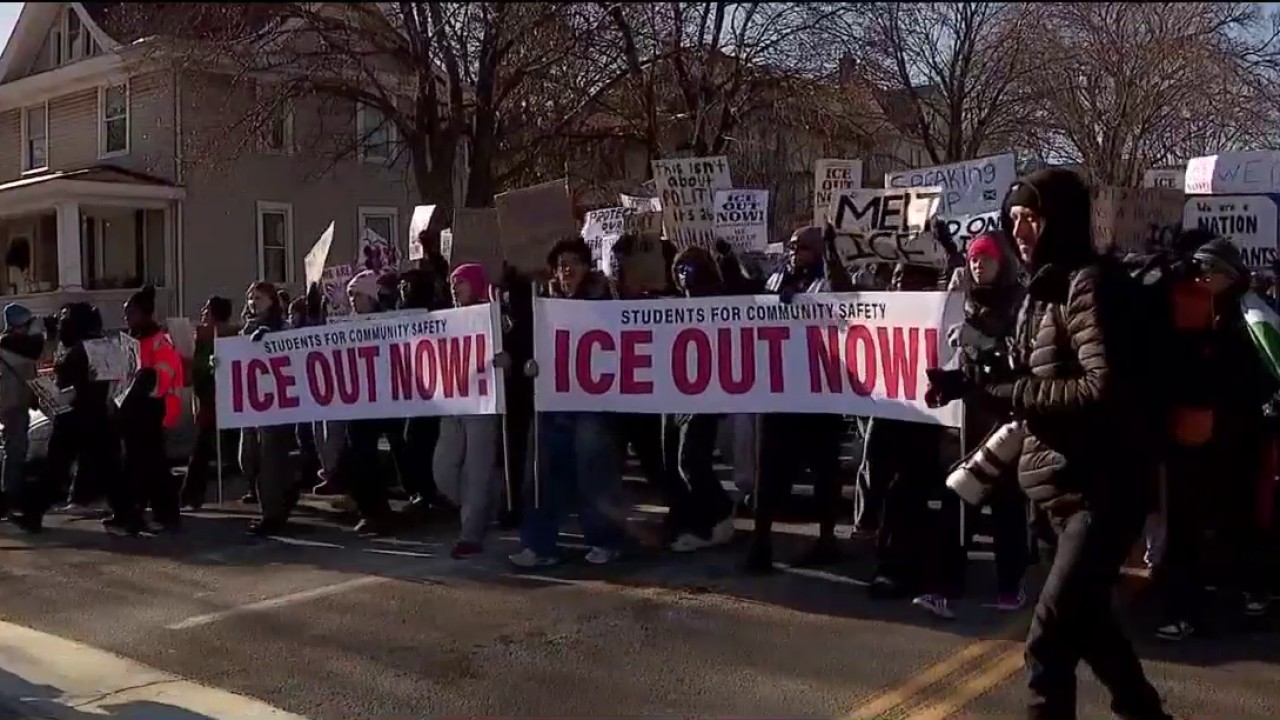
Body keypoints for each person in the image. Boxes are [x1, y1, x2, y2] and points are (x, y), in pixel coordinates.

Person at [929, 168, 1171, 720]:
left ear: (1058, 221)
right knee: (1090, 627)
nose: (1020, 230)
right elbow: (1023, 382)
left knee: (1048, 642)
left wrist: (1015, 388)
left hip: (1100, 493)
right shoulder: (1042, 290)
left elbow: (1097, 387)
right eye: (1013, 219)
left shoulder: (1088, 284)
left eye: (1031, 218)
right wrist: (965, 382)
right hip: (1059, 492)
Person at [1153, 237, 1278, 638]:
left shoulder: (1249, 318)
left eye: (1212, 271)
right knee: (1186, 526)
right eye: (1200, 270)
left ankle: (1250, 589)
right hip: (1191, 438)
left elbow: (1259, 378)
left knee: (1237, 519)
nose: (1204, 277)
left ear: (1231, 276)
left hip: (1235, 438)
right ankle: (1183, 611)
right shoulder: (1188, 314)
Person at [511, 238, 625, 568]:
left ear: (587, 267)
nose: (566, 269)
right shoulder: (544, 302)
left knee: (594, 472)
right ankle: (539, 545)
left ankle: (606, 540)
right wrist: (531, 363)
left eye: (573, 262)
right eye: (560, 263)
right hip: (553, 399)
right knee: (543, 474)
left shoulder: (606, 299)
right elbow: (533, 344)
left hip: (593, 402)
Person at [748, 224, 853, 572]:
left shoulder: (827, 281)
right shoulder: (776, 280)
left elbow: (845, 298)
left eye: (802, 248)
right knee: (768, 472)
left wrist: (834, 252)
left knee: (825, 472)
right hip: (777, 391)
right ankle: (760, 541)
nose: (794, 253)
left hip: (819, 393)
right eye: (792, 247)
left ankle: (827, 540)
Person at [434, 263, 505, 558]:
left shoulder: (494, 316)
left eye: (460, 282)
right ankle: (492, 501)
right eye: (452, 282)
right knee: (443, 468)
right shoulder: (446, 319)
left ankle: (471, 534)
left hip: (483, 403)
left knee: (477, 470)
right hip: (453, 401)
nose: (454, 287)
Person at [335, 269, 404, 536]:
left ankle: (378, 513)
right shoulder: (346, 327)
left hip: (386, 400)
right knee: (355, 458)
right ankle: (373, 511)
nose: (353, 300)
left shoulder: (391, 322)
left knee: (365, 457)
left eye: (358, 294)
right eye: (350, 295)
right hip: (360, 402)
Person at [124, 284, 184, 530]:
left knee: (154, 466)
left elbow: (161, 384)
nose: (126, 318)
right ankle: (133, 511)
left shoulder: (160, 344)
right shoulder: (133, 341)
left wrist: (141, 382)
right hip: (135, 412)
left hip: (153, 411)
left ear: (144, 313)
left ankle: (166, 515)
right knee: (138, 465)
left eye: (130, 313)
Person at [239, 281, 297, 536]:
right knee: (248, 458)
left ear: (272, 301)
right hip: (253, 402)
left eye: (259, 298)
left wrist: (271, 340)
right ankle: (284, 495)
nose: (253, 302)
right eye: (251, 298)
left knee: (271, 461)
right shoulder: (246, 329)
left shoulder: (283, 328)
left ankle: (272, 514)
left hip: (277, 404)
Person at [182, 295, 235, 510]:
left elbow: (204, 369)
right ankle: (191, 495)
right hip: (209, 399)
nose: (203, 311)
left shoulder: (216, 338)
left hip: (216, 398)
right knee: (206, 448)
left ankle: (190, 495)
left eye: (207, 309)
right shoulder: (207, 336)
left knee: (203, 450)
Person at [0, 303, 45, 526]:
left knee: (13, 449)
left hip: (12, 404)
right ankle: (10, 496)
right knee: (16, 450)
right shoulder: (19, 347)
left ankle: (9, 495)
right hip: (14, 405)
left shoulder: (13, 345)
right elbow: (32, 359)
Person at [119, 367, 167, 532]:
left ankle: (131, 517)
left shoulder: (128, 403)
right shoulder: (154, 405)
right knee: (152, 487)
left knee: (133, 488)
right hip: (150, 452)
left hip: (133, 451)